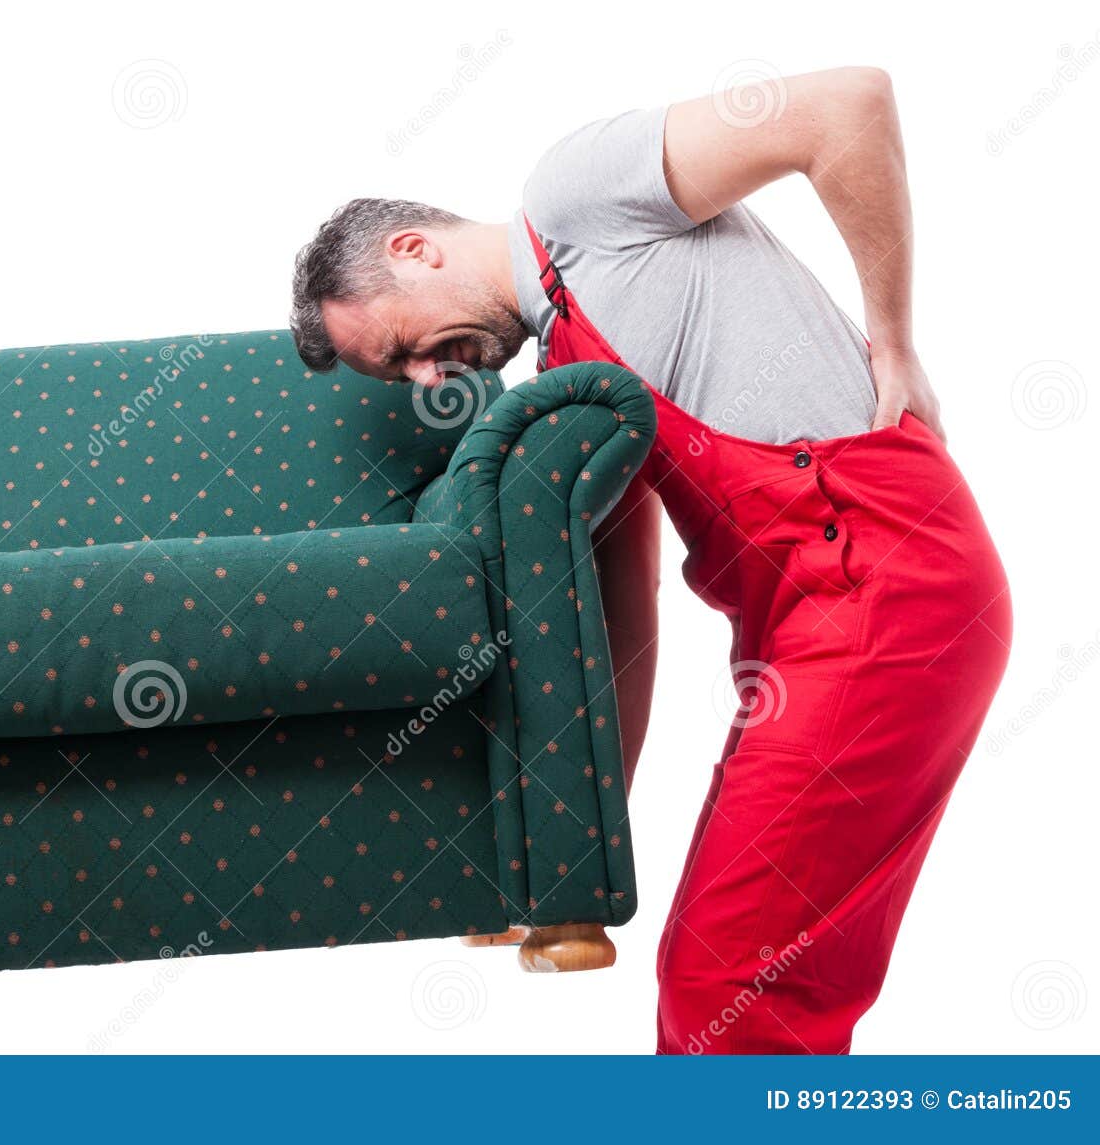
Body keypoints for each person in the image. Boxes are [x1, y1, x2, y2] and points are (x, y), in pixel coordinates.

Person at [287, 67, 1011, 1053]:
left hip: (882, 576)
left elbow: (846, 105)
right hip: (810, 627)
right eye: (401, 375)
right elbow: (621, 628)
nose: (426, 378)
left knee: (729, 984)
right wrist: (572, 852)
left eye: (400, 349)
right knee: (760, 977)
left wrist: (892, 343)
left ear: (412, 250)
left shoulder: (574, 194)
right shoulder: (572, 391)